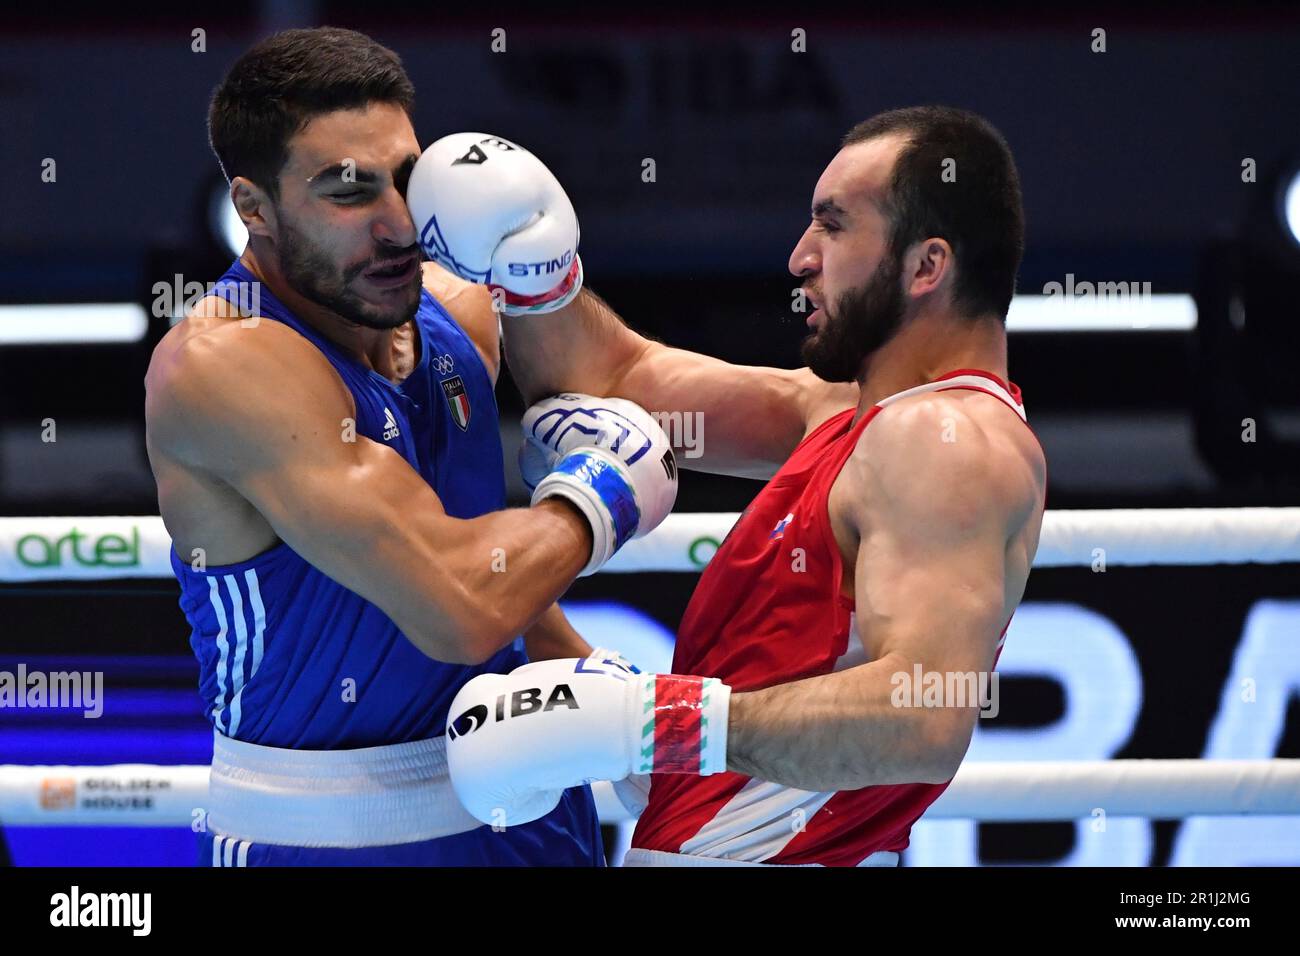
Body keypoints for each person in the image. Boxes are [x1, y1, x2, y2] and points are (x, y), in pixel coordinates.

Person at [410, 106, 1048, 866]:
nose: (800, 257)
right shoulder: (847, 413)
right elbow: (616, 381)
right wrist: (538, 272)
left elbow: (922, 721)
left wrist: (657, 721)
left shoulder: (946, 444)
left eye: (834, 226)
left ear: (925, 267)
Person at [142, 27, 675, 866]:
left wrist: (626, 712)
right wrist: (603, 489)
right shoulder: (224, 363)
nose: (399, 226)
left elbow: (486, 557)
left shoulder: (457, 313)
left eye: (405, 178)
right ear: (253, 209)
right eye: (347, 193)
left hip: (530, 808)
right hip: (328, 834)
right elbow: (459, 604)